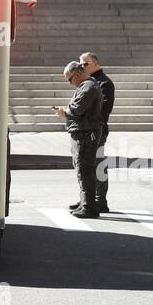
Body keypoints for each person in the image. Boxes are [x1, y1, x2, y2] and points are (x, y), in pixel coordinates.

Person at [53, 60, 104, 218]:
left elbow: (77, 109)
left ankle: (89, 207)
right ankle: (86, 202)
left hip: (86, 133)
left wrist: (64, 112)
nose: (69, 83)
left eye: (70, 79)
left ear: (77, 74)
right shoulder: (87, 85)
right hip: (84, 131)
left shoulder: (88, 86)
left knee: (84, 169)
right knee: (82, 167)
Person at [79, 52, 116, 213]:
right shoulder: (90, 81)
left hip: (97, 130)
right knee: (87, 165)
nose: (82, 67)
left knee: (98, 164)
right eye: (81, 64)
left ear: (96, 63)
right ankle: (88, 199)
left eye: (85, 64)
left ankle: (100, 200)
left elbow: (103, 111)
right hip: (89, 129)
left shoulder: (104, 83)